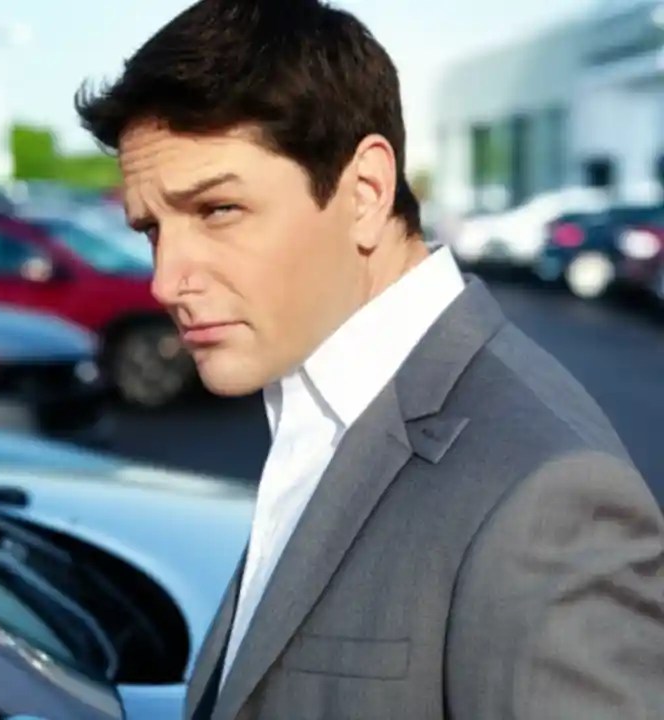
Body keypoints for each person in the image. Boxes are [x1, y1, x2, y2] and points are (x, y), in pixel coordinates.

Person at [75, 1, 664, 718]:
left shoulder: (552, 498)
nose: (166, 281)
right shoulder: (318, 396)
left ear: (365, 193)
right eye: (151, 230)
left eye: (218, 210)